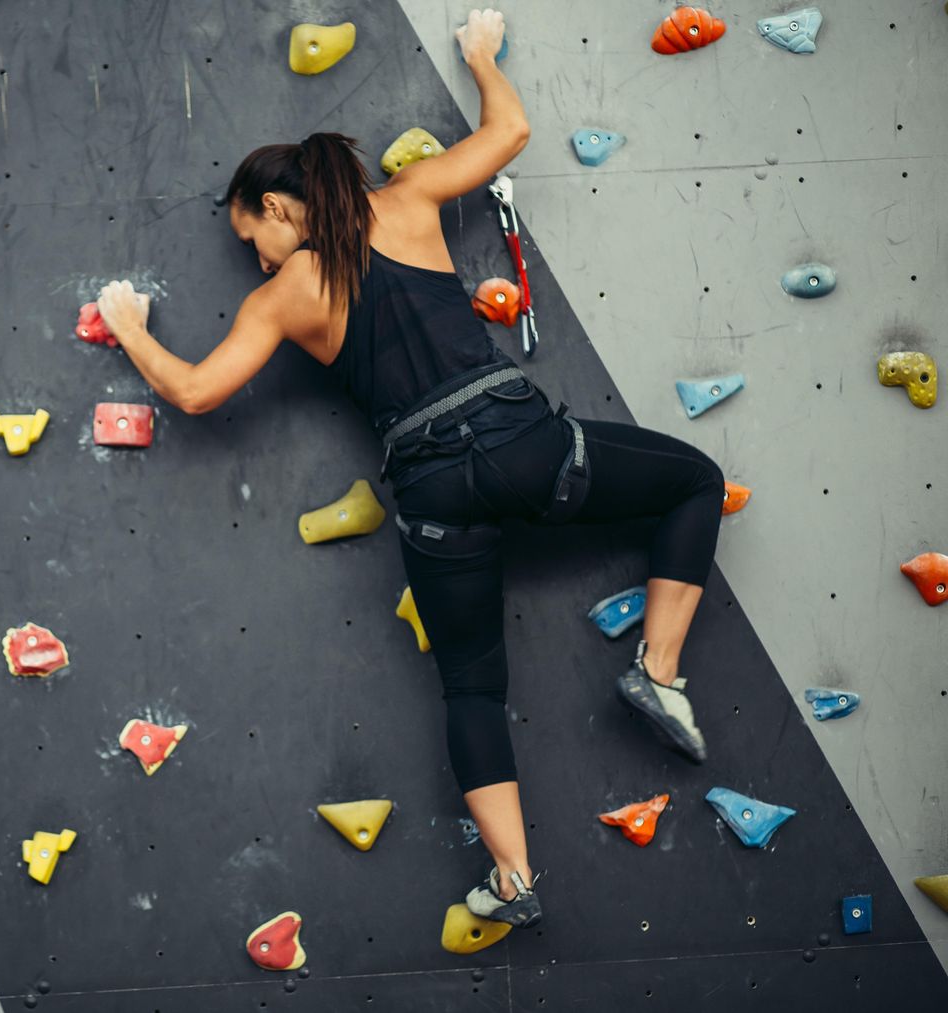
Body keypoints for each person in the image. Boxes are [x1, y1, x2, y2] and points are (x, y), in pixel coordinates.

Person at [96, 7, 724, 931]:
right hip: (522, 447)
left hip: (434, 494)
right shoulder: (411, 199)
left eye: (249, 238)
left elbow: (193, 393)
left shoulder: (283, 296)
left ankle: (515, 878)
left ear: (278, 209)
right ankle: (658, 669)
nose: (253, 256)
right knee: (695, 479)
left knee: (472, 686)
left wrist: (130, 328)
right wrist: (479, 56)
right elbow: (510, 131)